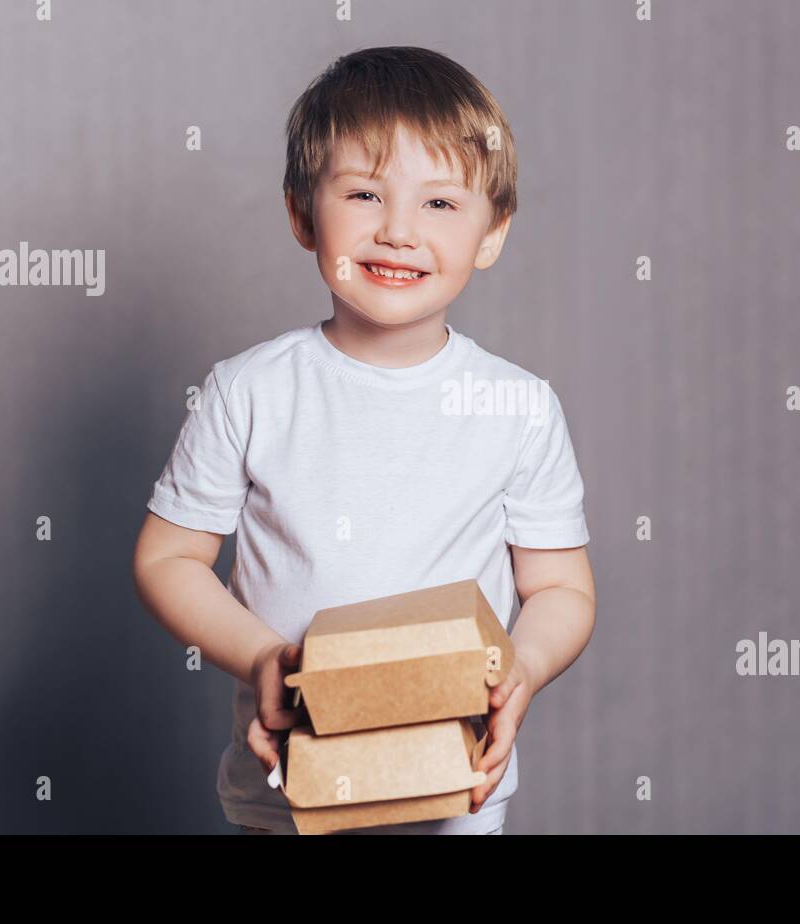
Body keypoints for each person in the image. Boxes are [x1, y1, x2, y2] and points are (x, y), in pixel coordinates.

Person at [132, 45, 595, 835]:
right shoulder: (250, 391)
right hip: (287, 791)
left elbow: (560, 589)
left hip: (455, 793)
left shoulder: (518, 407)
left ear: (493, 233)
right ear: (302, 214)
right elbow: (167, 558)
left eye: (440, 205)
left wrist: (523, 667)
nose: (398, 232)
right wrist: (260, 657)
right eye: (364, 193)